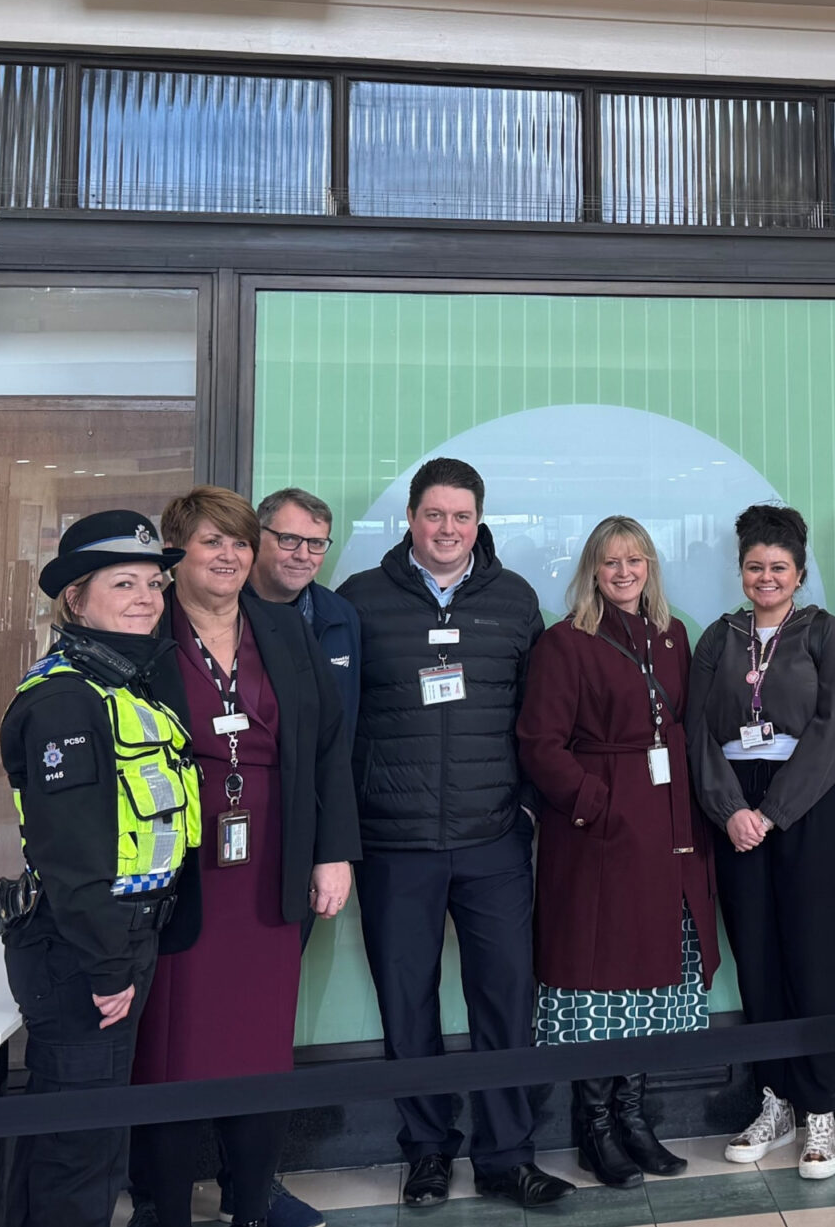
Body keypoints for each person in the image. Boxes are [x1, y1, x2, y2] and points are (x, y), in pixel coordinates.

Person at [339, 458, 572, 1207]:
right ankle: (427, 1150)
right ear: (410, 518)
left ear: (479, 521)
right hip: (394, 843)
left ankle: (507, 1153)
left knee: (506, 999)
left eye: (461, 516)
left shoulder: (513, 599)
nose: (447, 529)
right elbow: (336, 728)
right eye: (434, 514)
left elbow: (543, 721)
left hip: (494, 839)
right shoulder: (361, 601)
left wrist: (529, 810)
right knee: (407, 1002)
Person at [125, 487, 360, 1227]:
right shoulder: (145, 632)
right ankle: (164, 1207)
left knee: (261, 1042)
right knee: (174, 1046)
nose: (228, 555)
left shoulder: (283, 630)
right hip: (178, 869)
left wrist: (334, 854)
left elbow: (328, 747)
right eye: (209, 542)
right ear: (176, 553)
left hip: (272, 861)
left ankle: (251, 1200)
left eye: (237, 542)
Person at [0, 511, 191, 1227]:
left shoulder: (123, 683)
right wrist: (110, 964)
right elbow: (70, 854)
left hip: (117, 936)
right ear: (76, 598)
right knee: (80, 1149)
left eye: (153, 582)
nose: (147, 596)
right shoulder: (66, 699)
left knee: (76, 1133)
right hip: (86, 948)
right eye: (124, 582)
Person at [517, 517, 718, 1189]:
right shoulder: (564, 642)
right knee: (598, 981)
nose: (624, 570)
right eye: (610, 561)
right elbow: (539, 743)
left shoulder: (674, 635)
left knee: (650, 980)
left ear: (651, 566)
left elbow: (682, 726)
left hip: (665, 832)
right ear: (592, 571)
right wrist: (597, 803)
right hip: (596, 839)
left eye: (635, 558)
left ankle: (635, 1118)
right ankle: (596, 1128)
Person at [687, 504, 835, 1181]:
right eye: (755, 566)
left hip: (808, 804)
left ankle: (820, 1107)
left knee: (815, 957)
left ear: (799, 572)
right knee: (757, 958)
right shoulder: (719, 638)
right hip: (734, 808)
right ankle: (775, 1100)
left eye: (779, 567)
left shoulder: (825, 633)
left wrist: (777, 809)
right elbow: (694, 730)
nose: (766, 576)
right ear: (741, 572)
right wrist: (732, 809)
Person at [253, 486, 362, 732]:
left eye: (316, 543)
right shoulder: (226, 612)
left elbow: (347, 722)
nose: (303, 555)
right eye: (289, 539)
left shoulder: (342, 617)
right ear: (256, 537)